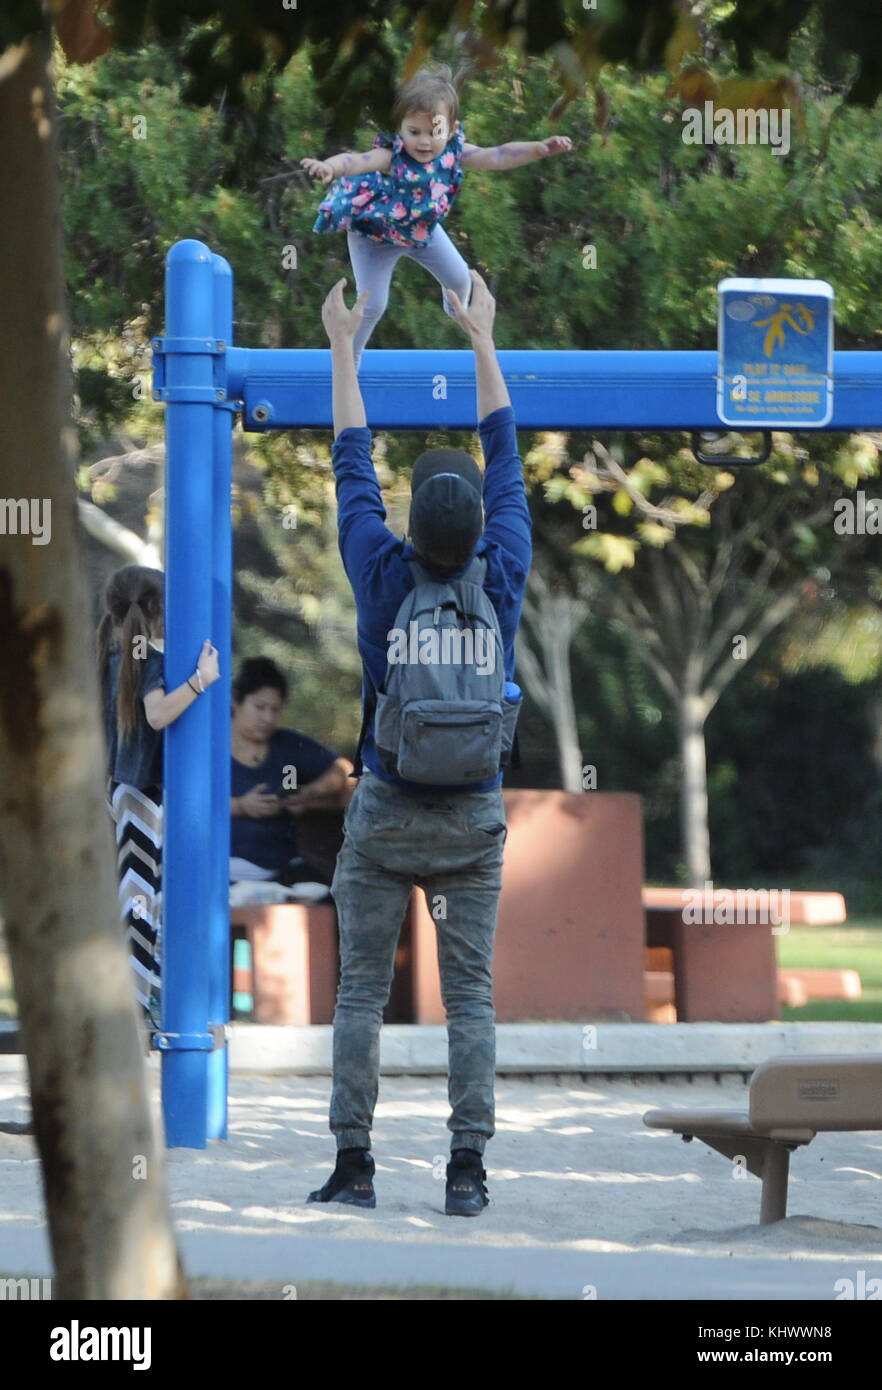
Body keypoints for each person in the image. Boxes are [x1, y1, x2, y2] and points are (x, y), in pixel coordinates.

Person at [307, 268, 531, 1216]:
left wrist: (342, 345)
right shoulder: (504, 572)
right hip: (473, 821)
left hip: (387, 813)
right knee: (469, 997)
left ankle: (355, 1166)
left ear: (411, 522)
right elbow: (505, 449)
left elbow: (350, 458)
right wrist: (480, 335)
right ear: (479, 526)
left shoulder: (379, 575)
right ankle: (466, 1173)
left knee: (361, 992)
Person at [301, 62, 572, 368]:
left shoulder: (455, 152)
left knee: (460, 279)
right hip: (373, 235)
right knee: (373, 304)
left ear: (452, 129)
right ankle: (348, 360)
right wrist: (329, 167)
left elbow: (498, 155)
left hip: (421, 231)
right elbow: (357, 161)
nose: (425, 141)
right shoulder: (391, 156)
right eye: (414, 131)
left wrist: (539, 149)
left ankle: (456, 313)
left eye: (435, 132)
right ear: (398, 129)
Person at [98, 565, 220, 1027]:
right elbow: (158, 714)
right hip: (141, 789)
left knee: (139, 894)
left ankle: (145, 1000)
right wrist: (200, 680)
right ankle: (138, 1008)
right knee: (141, 900)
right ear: (156, 611)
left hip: (121, 786)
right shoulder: (146, 657)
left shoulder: (111, 655)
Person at [230, 656, 353, 887]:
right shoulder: (210, 743)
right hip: (222, 869)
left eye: (275, 710)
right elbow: (184, 801)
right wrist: (240, 806)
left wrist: (307, 793)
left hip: (284, 869)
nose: (267, 718)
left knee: (328, 898)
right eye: (260, 707)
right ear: (236, 700)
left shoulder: (287, 745)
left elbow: (343, 770)